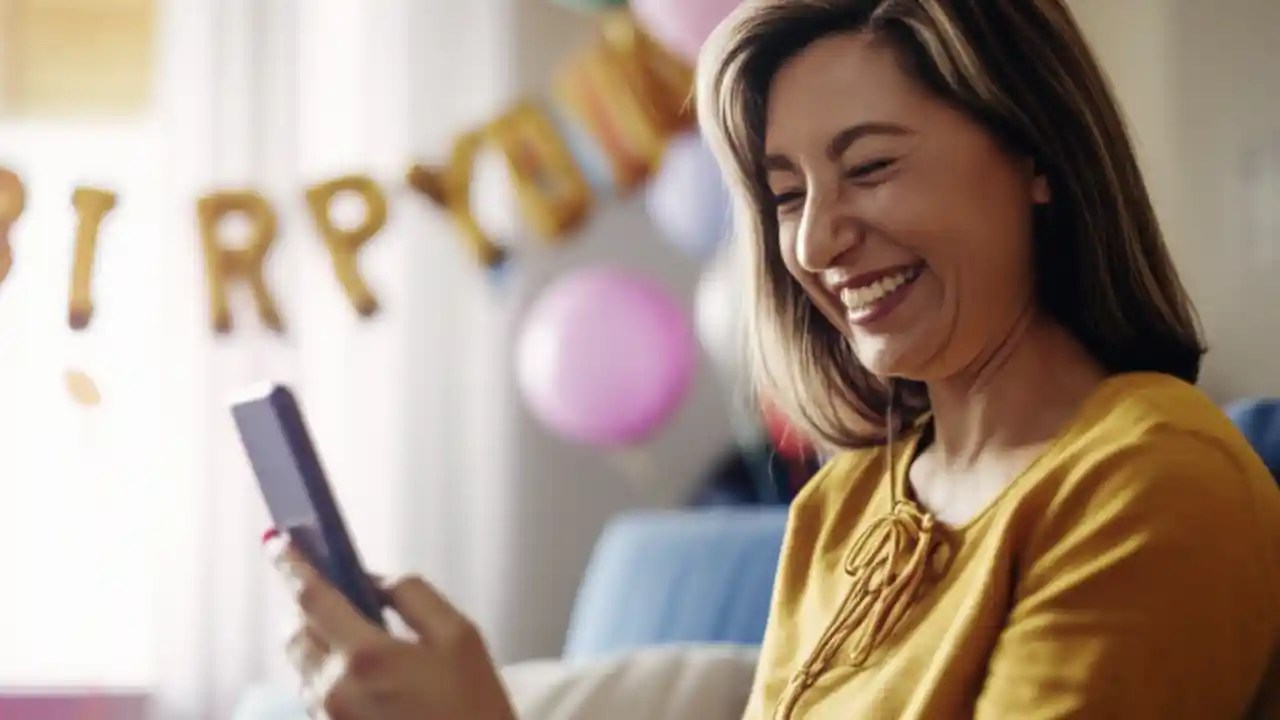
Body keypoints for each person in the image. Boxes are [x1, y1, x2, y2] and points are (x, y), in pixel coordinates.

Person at [263, 0, 1280, 718]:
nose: (813, 242)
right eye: (786, 193)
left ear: (1038, 159)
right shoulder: (839, 508)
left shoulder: (1150, 481)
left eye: (869, 168)